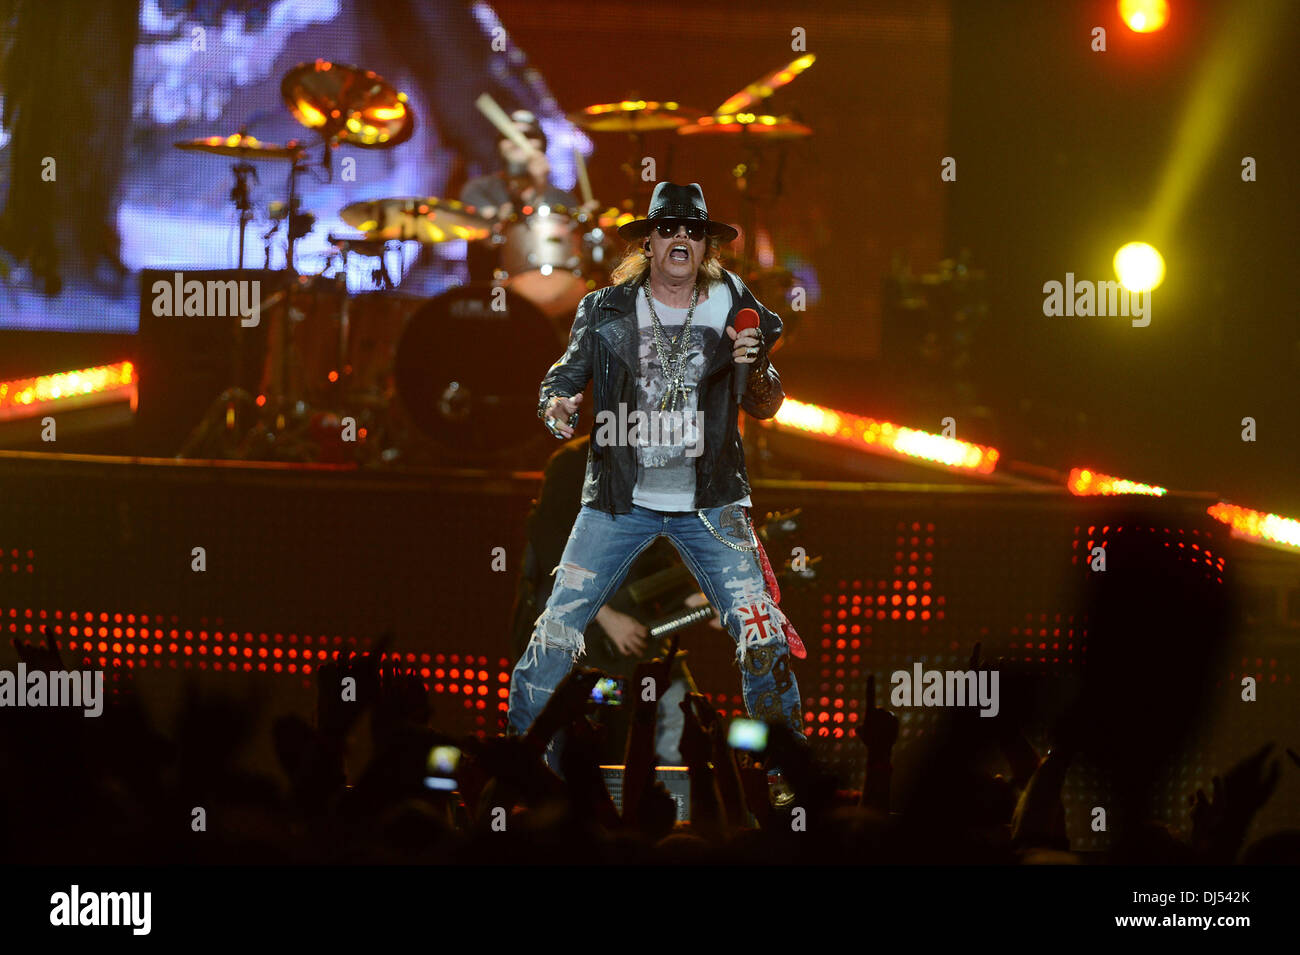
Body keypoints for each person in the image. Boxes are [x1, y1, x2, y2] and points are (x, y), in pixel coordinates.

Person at [507, 180, 807, 762]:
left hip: (710, 503)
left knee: (762, 632)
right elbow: (561, 380)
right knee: (556, 630)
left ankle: (786, 773)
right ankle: (520, 763)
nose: (680, 239)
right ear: (648, 242)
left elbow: (766, 402)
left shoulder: (733, 303)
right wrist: (557, 408)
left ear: (705, 245)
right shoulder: (604, 308)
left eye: (692, 231)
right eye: (667, 228)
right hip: (618, 499)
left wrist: (759, 366)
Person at [510, 433, 707, 764]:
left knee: (678, 714)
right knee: (550, 744)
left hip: (620, 646)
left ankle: (668, 810)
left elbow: (654, 555)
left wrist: (691, 599)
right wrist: (604, 613)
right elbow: (550, 547)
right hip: (565, 635)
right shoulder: (573, 463)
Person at [459, 110, 598, 283]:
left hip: (553, 291)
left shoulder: (564, 200)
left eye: (528, 135)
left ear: (543, 146)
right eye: (509, 135)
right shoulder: (478, 189)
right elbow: (490, 240)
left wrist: (589, 225)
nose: (519, 141)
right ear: (498, 146)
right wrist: (536, 190)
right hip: (492, 296)